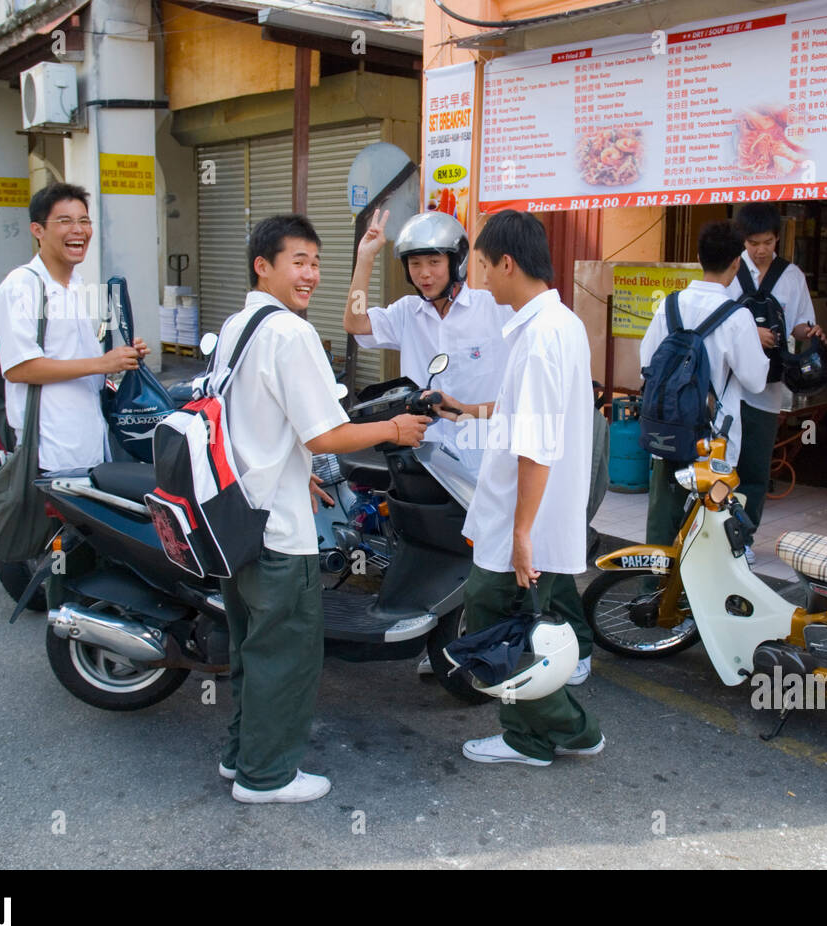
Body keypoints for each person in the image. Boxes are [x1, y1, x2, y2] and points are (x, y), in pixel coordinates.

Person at [217, 215, 430, 803]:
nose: (310, 273)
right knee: (286, 653)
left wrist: (295, 470)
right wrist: (395, 427)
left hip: (238, 520)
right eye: (298, 261)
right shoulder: (289, 333)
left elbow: (251, 425)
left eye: (315, 261)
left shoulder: (240, 324)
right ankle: (268, 777)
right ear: (264, 265)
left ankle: (242, 758)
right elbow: (326, 434)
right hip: (279, 531)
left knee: (251, 648)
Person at [427, 210, 604, 765]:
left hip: (524, 519)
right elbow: (524, 416)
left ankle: (559, 731)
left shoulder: (540, 338)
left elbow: (536, 445)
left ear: (507, 262)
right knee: (519, 626)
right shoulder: (557, 325)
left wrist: (523, 532)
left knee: (498, 623)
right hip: (530, 514)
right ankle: (540, 734)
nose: (477, 277)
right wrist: (470, 411)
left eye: (481, 265)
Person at [344, 209, 532, 679]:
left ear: (456, 262)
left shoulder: (493, 307)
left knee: (493, 556)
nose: (424, 274)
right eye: (414, 264)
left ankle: (512, 640)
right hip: (428, 457)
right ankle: (445, 642)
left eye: (434, 263)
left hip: (484, 453)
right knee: (442, 550)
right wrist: (366, 257)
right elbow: (355, 322)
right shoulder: (409, 314)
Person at [0, 182, 146, 473]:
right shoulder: (21, 286)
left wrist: (121, 359)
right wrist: (100, 363)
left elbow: (77, 360)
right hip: (50, 450)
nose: (79, 230)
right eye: (65, 221)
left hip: (88, 442)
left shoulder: (77, 286)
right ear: (37, 230)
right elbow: (18, 368)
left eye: (84, 221)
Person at [639, 221, 770, 546]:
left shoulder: (669, 306)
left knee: (662, 528)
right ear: (737, 262)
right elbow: (755, 381)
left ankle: (653, 593)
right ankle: (696, 597)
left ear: (699, 256)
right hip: (714, 444)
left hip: (666, 433)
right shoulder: (737, 317)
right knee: (709, 533)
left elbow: (646, 363)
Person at [725, 203, 827, 562]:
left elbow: (800, 323)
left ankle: (744, 538)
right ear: (743, 242)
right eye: (753, 243)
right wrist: (749, 331)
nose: (760, 250)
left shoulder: (792, 276)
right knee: (723, 465)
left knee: (754, 466)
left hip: (768, 386)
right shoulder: (730, 269)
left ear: (777, 238)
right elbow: (715, 319)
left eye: (767, 242)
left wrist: (809, 332)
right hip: (727, 384)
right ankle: (719, 535)